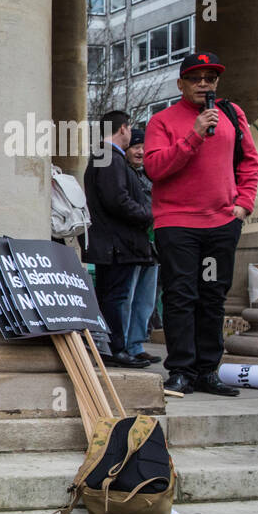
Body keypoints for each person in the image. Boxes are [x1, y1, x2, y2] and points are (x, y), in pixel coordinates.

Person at [144, 51, 258, 397]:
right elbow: (155, 168)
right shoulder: (162, 121)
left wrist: (243, 204)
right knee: (181, 296)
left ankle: (208, 371)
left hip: (220, 224)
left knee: (212, 297)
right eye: (196, 78)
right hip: (178, 225)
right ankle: (181, 371)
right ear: (181, 84)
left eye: (210, 78)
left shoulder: (231, 113)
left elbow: (250, 162)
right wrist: (193, 136)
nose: (204, 84)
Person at [82, 110, 155, 369]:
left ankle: (112, 348)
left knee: (111, 296)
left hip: (113, 243)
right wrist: (149, 214)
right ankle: (117, 349)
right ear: (123, 129)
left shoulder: (106, 157)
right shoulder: (110, 157)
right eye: (130, 130)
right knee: (116, 297)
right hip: (117, 245)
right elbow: (118, 200)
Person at [120, 128, 160, 364]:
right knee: (127, 297)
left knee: (146, 300)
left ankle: (136, 345)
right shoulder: (121, 173)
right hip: (131, 246)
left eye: (144, 147)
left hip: (153, 246)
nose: (141, 152)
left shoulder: (151, 175)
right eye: (136, 146)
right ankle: (123, 344)